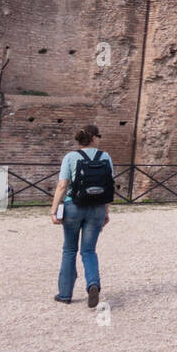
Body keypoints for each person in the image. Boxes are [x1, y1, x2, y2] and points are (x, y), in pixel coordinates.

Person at [50, 125, 113, 308]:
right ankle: (93, 284)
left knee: (69, 250)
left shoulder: (70, 157)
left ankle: (65, 294)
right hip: (97, 208)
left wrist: (54, 210)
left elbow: (62, 185)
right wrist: (106, 213)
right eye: (99, 136)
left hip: (73, 206)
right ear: (93, 138)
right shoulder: (105, 156)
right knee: (89, 251)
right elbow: (109, 185)